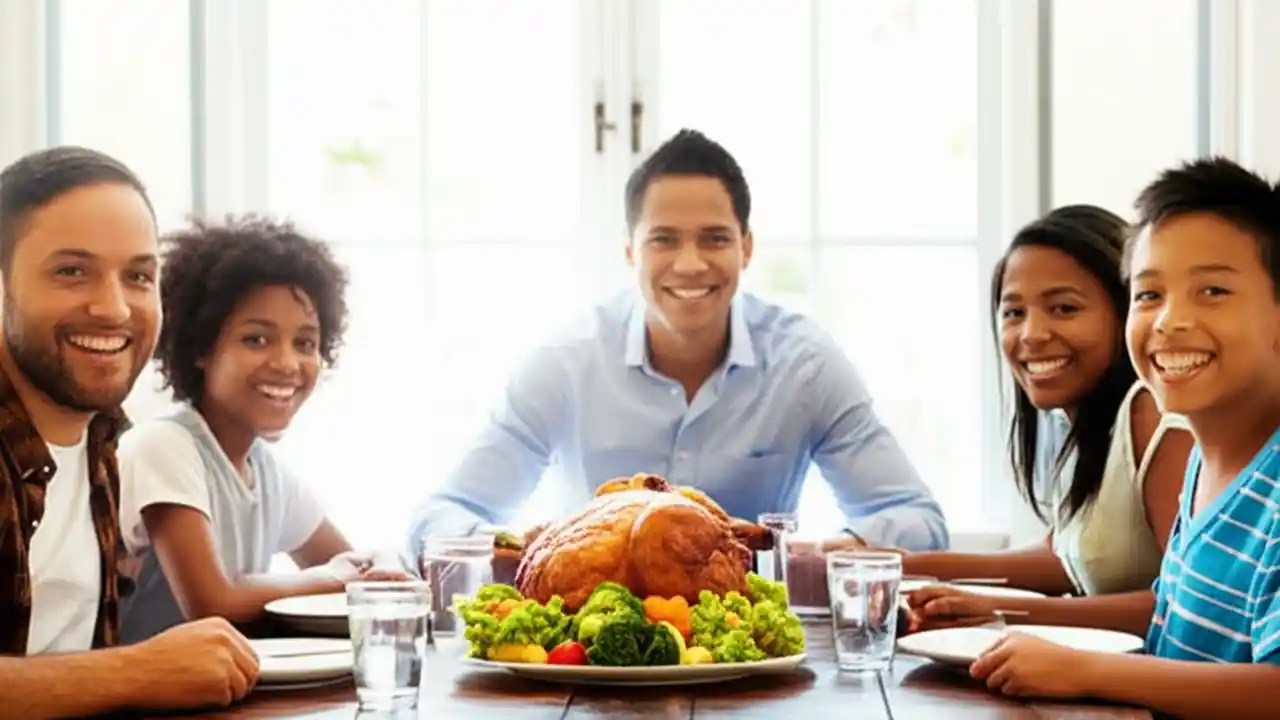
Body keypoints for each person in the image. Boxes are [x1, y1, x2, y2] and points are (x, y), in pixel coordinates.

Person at [406, 129, 947, 556]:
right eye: (663, 240)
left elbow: (919, 521)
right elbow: (436, 521)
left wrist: (804, 553)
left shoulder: (804, 365)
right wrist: (522, 546)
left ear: (747, 248)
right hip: (589, 650)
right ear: (629, 251)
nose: (690, 265)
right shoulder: (566, 363)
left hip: (750, 655)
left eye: (715, 239)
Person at [919, 158, 1280, 719]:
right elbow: (1171, 612)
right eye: (1149, 295)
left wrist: (1087, 670)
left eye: (1212, 290)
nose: (1168, 321)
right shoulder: (1210, 467)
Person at [0, 146, 259, 716]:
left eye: (139, 276)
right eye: (72, 271)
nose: (114, 308)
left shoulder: (104, 441)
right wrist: (137, 670)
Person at [117, 216, 401, 643]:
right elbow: (211, 603)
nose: (287, 363)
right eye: (256, 339)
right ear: (200, 348)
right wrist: (334, 578)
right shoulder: (163, 446)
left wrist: (378, 563)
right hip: (145, 702)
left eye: (304, 343)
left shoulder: (266, 473)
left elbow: (346, 561)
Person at [897, 206, 1193, 597]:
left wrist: (992, 610)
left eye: (1064, 308)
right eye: (1014, 312)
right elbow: (1067, 559)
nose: (1031, 334)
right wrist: (900, 565)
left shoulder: (1151, 414)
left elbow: (1186, 609)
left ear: (1126, 310)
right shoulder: (1078, 423)